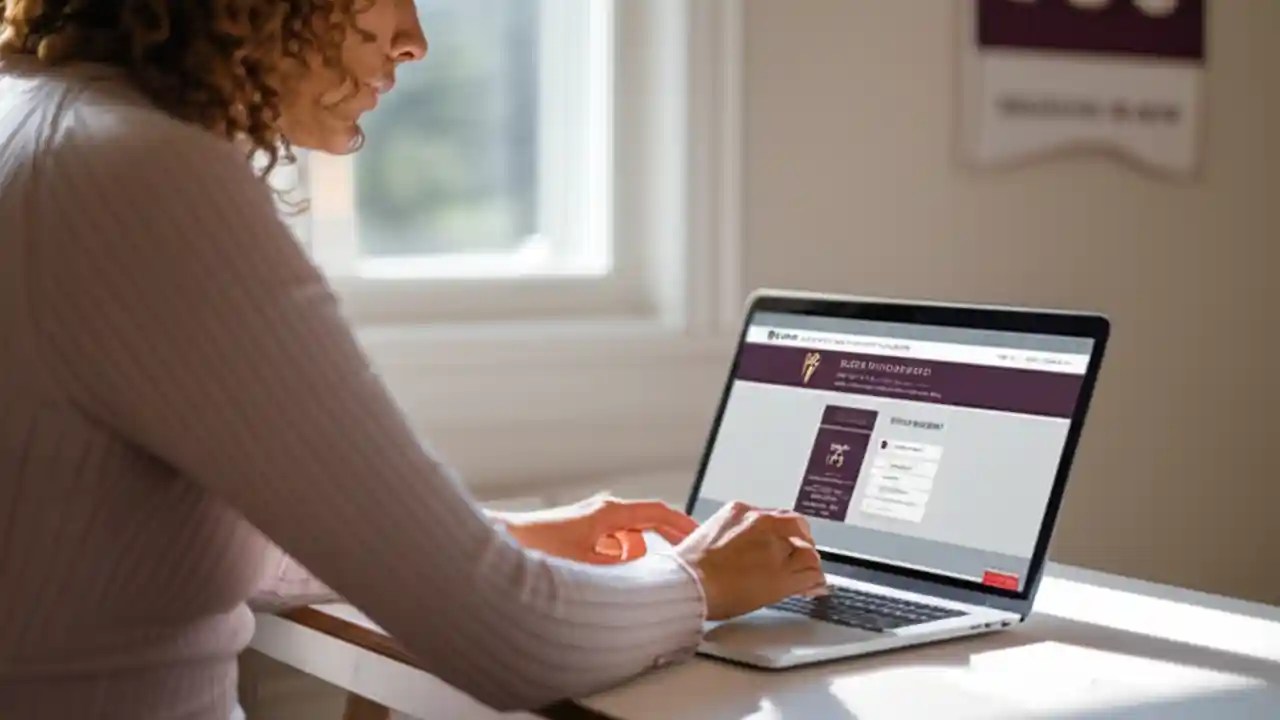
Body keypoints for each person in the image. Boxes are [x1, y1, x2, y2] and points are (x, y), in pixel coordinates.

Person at [0, 1, 828, 718]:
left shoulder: (38, 123)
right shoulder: (141, 179)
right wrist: (697, 582)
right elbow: (508, 639)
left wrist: (506, 539)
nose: (415, 40)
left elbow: (117, 532)